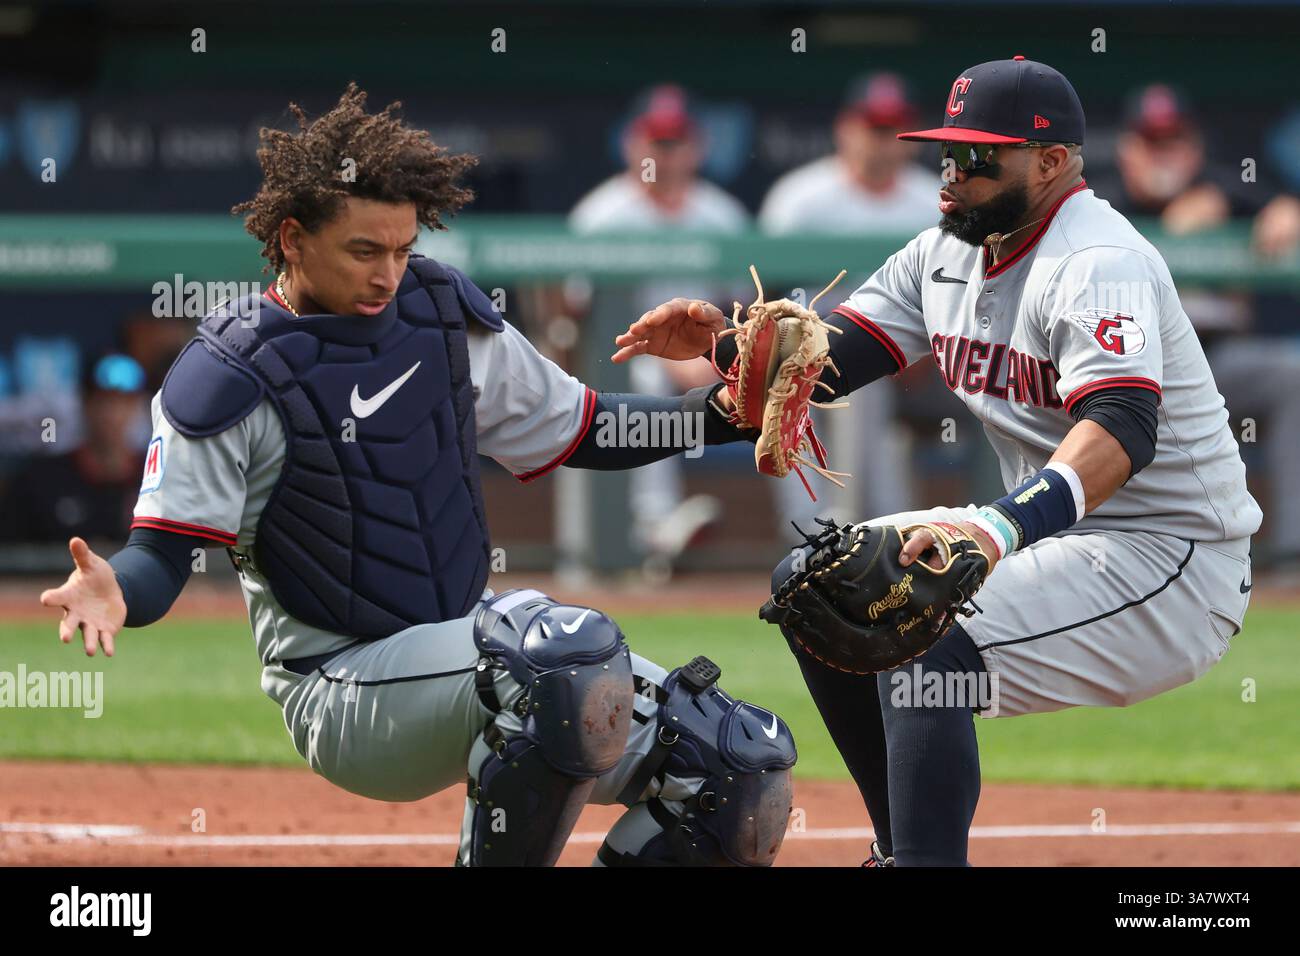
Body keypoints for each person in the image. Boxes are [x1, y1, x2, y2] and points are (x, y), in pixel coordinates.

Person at [38, 85, 795, 868]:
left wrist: (724, 411)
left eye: (402, 249)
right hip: (342, 683)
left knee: (736, 763)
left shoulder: (439, 316)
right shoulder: (231, 374)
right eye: (364, 250)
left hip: (475, 656)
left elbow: (586, 426)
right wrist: (117, 589)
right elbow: (162, 552)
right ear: (293, 239)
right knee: (564, 658)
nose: (388, 274)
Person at [615, 57, 1260, 866]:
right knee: (820, 588)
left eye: (981, 156)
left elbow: (1123, 430)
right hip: (1062, 536)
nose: (953, 174)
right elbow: (823, 366)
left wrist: (997, 528)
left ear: (1053, 162)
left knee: (924, 635)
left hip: (1171, 560)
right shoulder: (941, 255)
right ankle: (900, 852)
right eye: (948, 152)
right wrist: (719, 352)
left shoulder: (1096, 262)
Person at [1091, 84, 1300, 571]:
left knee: (1294, 372)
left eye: (1174, 141)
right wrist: (1157, 239)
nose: (1163, 155)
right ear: (1127, 149)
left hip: (1216, 362)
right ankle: (1091, 552)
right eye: (1150, 142)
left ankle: (1293, 551)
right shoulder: (1099, 203)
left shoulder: (1228, 188)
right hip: (1126, 368)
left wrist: (1283, 210)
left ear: (1194, 147)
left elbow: (1281, 203)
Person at [570, 85, 749, 565]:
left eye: (675, 143)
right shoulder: (601, 215)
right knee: (640, 379)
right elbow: (577, 317)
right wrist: (669, 358)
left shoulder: (721, 216)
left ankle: (819, 534)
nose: (664, 156)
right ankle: (656, 528)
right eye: (655, 142)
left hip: (708, 355)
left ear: (696, 148)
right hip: (627, 354)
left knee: (789, 386)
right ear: (632, 143)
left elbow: (742, 311)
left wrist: (718, 356)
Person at [758, 73, 937, 536]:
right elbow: (768, 294)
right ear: (846, 128)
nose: (883, 142)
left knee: (865, 381)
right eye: (873, 127)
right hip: (816, 350)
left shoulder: (934, 200)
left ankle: (863, 530)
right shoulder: (800, 198)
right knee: (818, 380)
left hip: (925, 358)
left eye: (894, 130)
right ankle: (822, 531)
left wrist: (930, 351)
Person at [0, 353, 148, 546]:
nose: (112, 414)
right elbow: (10, 562)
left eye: (124, 402)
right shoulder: (41, 481)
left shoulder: (156, 480)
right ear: (84, 403)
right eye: (103, 401)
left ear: (137, 406)